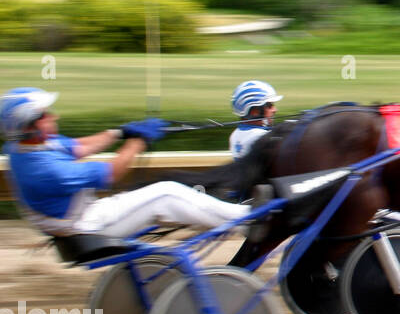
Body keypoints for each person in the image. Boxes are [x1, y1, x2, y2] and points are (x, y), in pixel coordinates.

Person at [3, 87, 254, 240]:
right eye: (45, 114)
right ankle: (247, 218)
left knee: (166, 195)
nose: (53, 116)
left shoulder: (26, 146)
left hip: (80, 217)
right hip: (86, 226)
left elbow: (80, 146)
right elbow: (113, 172)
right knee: (166, 193)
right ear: (29, 125)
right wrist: (139, 141)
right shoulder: (42, 169)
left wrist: (121, 132)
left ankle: (234, 219)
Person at [229, 80, 281, 158]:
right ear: (255, 111)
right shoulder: (260, 137)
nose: (275, 110)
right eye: (269, 105)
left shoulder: (234, 135)